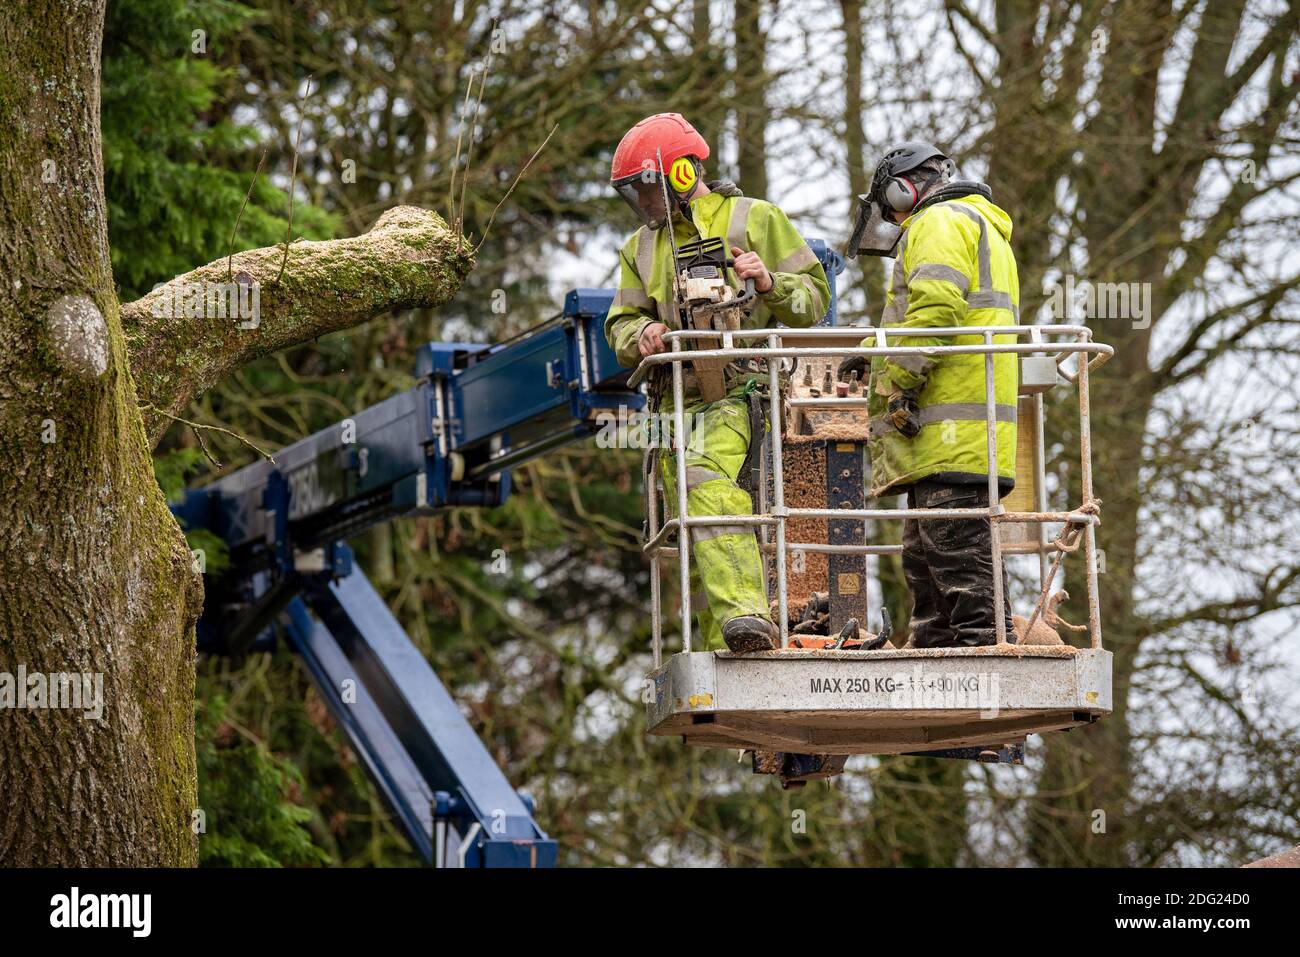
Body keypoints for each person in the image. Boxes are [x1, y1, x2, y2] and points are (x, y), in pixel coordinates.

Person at [605, 112, 830, 652]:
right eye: (634, 191)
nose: (643, 200)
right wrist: (642, 333)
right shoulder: (639, 247)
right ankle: (724, 653)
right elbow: (618, 325)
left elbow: (814, 303)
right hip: (672, 404)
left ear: (681, 174)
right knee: (691, 529)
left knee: (700, 477)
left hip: (737, 392)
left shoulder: (755, 219)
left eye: (647, 185)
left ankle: (746, 617)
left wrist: (770, 281)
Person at [839, 142, 1019, 648]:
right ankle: (937, 659)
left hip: (953, 431)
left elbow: (936, 313)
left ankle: (987, 665)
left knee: (961, 566)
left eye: (891, 206)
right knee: (926, 564)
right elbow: (934, 320)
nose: (893, 220)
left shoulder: (939, 223)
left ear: (904, 187)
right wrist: (879, 352)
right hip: (953, 436)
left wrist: (897, 380)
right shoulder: (974, 223)